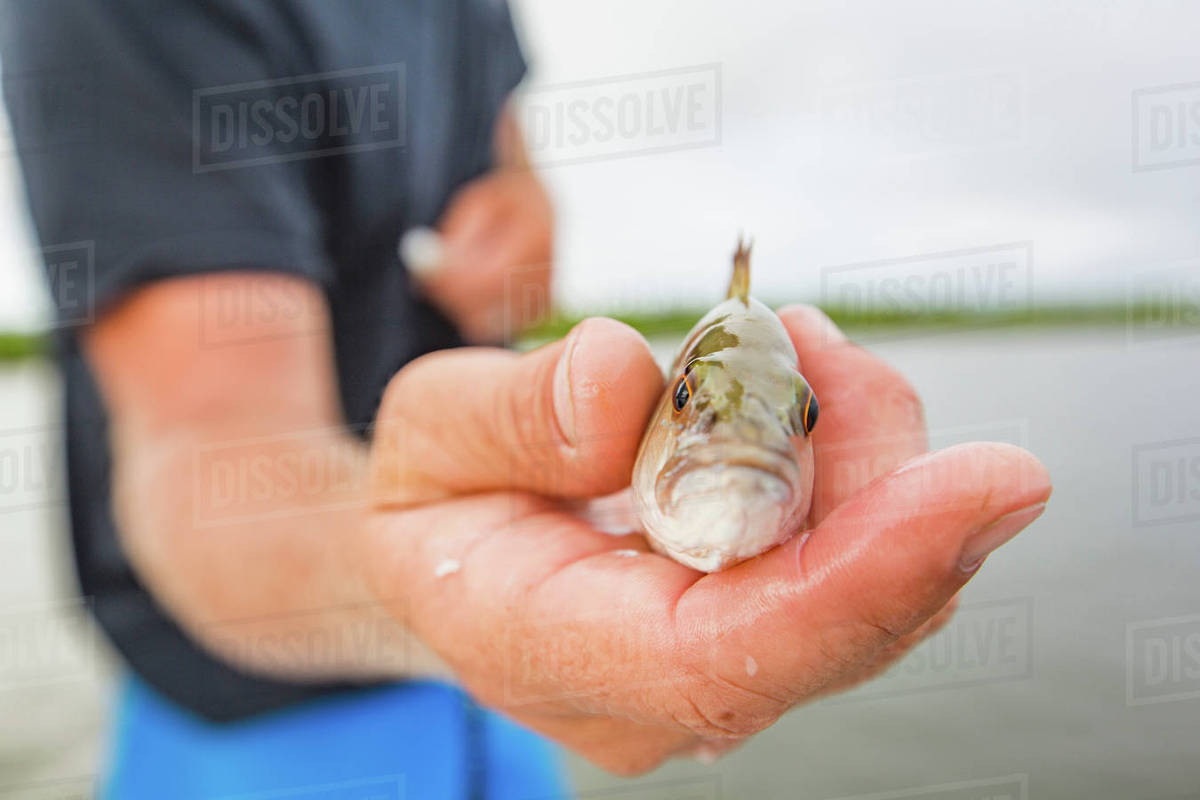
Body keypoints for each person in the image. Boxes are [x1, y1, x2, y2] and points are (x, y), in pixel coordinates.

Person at [2, 1, 1052, 797]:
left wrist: (524, 199)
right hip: (254, 721)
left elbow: (500, 138)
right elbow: (211, 461)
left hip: (500, 682)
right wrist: (423, 585)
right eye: (697, 408)